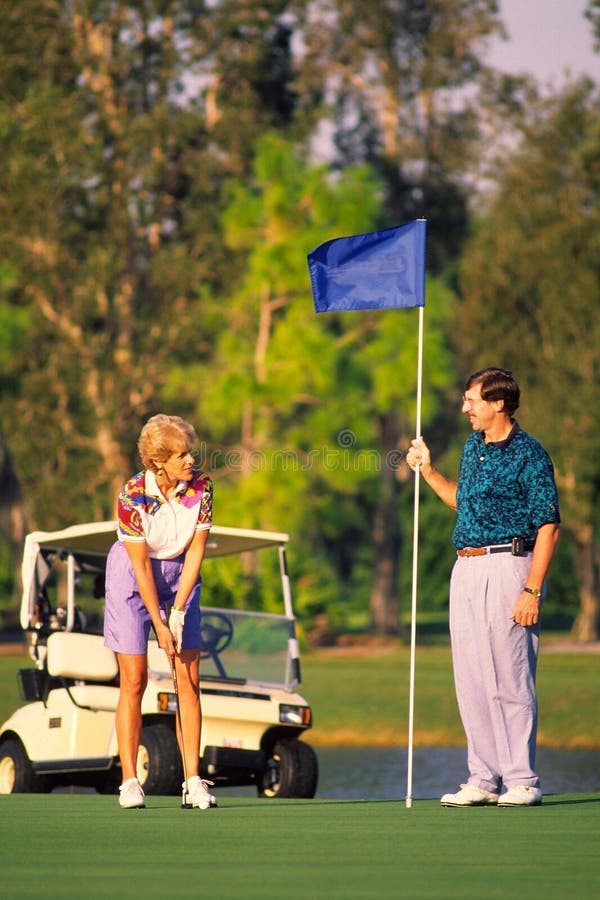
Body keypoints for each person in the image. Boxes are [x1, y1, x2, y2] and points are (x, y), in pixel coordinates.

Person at [406, 367, 560, 807]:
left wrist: (531, 590)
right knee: (471, 678)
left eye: (471, 400)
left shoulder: (529, 454)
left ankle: (522, 780)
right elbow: (464, 502)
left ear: (498, 403)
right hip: (467, 567)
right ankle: (483, 778)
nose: (464, 409)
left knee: (510, 676)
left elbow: (548, 526)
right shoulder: (473, 447)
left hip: (510, 565)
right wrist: (427, 470)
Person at [104, 414, 214, 810]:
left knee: (188, 678)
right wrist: (160, 623)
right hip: (133, 579)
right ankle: (130, 781)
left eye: (190, 452)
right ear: (158, 462)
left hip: (180, 574)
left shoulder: (201, 486)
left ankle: (193, 781)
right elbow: (140, 566)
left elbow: (196, 551)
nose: (191, 460)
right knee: (134, 680)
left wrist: (179, 610)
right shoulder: (132, 494)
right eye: (182, 455)